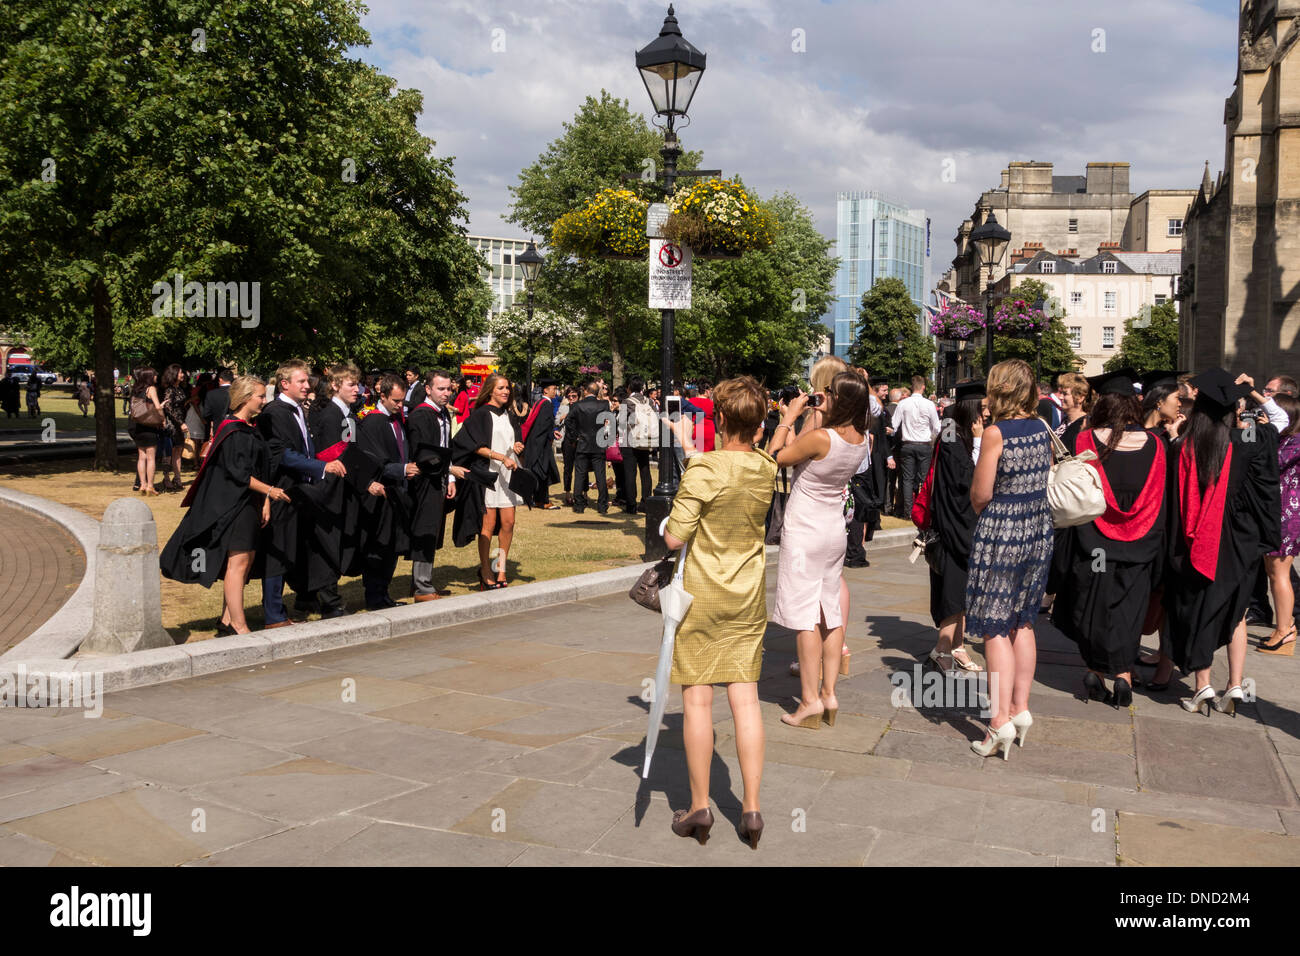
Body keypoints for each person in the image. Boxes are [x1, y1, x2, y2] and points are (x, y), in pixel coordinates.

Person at [661, 376, 777, 849]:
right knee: (745, 698)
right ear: (761, 422)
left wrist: (690, 460)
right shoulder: (766, 468)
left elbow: (674, 537)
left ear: (720, 418)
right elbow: (728, 477)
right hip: (747, 592)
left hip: (702, 594)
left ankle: (700, 806)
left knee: (697, 699)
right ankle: (750, 809)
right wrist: (694, 453)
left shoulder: (704, 469)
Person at [1166, 367, 1281, 716]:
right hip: (1241, 541)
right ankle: (1234, 683)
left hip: (1203, 540)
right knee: (1237, 612)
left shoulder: (1187, 445)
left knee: (1202, 607)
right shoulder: (1249, 443)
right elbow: (1275, 435)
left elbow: (1180, 502)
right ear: (1232, 408)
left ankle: (1202, 686)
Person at [1052, 370, 1168, 708]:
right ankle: (1124, 675)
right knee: (1128, 609)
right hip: (1140, 543)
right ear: (1134, 405)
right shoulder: (1157, 446)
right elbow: (1163, 500)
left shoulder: (1083, 441)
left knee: (1094, 604)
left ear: (1101, 405)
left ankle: (1093, 671)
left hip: (1093, 543)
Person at [770, 371, 872, 728]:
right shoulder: (862, 440)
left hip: (806, 531)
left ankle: (809, 700)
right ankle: (829, 693)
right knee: (830, 612)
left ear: (841, 400)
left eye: (828, 392)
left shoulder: (821, 438)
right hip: (833, 531)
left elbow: (775, 457)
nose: (821, 395)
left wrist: (788, 417)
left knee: (803, 617)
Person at [966, 359, 1054, 760]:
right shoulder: (1042, 426)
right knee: (1023, 620)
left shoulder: (995, 433)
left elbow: (981, 494)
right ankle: (1020, 709)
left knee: (995, 627)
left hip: (1002, 530)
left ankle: (998, 720)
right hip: (1037, 530)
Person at [160, 376, 289, 635]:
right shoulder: (231, 430)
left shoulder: (250, 428)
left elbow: (260, 468)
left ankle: (228, 620)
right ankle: (239, 625)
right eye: (261, 396)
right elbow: (237, 473)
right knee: (238, 562)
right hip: (233, 506)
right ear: (244, 398)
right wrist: (270, 491)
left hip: (250, 503)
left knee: (247, 560)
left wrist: (263, 501)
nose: (265, 401)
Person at [257, 360, 347, 627]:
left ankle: (306, 598)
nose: (308, 386)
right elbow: (282, 453)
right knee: (277, 552)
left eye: (308, 381)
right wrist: (321, 466)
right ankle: (273, 614)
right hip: (282, 490)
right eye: (302, 381)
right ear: (285, 384)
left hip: (302, 490)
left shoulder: (296, 410)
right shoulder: (275, 412)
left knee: (302, 547)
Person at [303, 362, 376, 618]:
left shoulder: (347, 413)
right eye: (352, 384)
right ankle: (329, 602)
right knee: (328, 544)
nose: (358, 389)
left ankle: (315, 596)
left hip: (346, 487)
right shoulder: (331, 413)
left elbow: (351, 447)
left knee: (338, 542)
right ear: (335, 385)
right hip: (330, 489)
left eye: (357, 384)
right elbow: (331, 453)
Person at [926, 381, 988, 674]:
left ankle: (955, 646)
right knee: (952, 590)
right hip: (954, 525)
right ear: (971, 409)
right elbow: (968, 478)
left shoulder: (953, 427)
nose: (987, 413)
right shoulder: (953, 432)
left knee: (959, 590)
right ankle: (943, 649)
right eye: (983, 408)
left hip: (959, 522)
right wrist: (978, 442)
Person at [451, 373, 532, 589]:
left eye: (507, 388)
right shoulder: (480, 414)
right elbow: (473, 445)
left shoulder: (509, 415)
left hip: (508, 476)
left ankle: (500, 567)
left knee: (508, 523)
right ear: (490, 391)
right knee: (488, 526)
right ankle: (485, 569)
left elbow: (515, 440)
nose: (505, 391)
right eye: (501, 388)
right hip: (487, 476)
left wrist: (517, 448)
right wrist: (500, 457)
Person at [356, 375, 419, 609]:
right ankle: (374, 596)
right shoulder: (372, 422)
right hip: (380, 492)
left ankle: (383, 594)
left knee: (392, 546)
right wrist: (402, 469)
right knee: (378, 546)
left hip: (397, 492)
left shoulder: (397, 419)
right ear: (382, 395)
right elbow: (373, 459)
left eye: (402, 401)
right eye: (395, 400)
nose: (399, 405)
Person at [407, 369, 465, 601]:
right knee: (425, 528)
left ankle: (422, 582)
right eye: (441, 389)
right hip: (423, 479)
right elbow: (423, 452)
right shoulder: (421, 415)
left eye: (449, 389)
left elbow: (446, 447)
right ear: (428, 389)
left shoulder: (442, 414)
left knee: (434, 529)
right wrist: (450, 470)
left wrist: (449, 478)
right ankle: (422, 586)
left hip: (439, 478)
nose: (446, 393)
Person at [1259, 391, 1300, 654]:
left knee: (1280, 573)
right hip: (1277, 511)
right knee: (1274, 572)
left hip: (1287, 512)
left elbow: (1272, 465)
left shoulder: (1294, 443)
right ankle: (1283, 628)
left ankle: (1285, 629)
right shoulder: (1284, 440)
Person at [894, 374, 942, 518]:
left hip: (907, 444)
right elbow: (937, 428)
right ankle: (921, 509)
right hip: (924, 445)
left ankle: (908, 512)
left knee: (907, 479)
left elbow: (894, 425)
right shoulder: (929, 404)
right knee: (923, 478)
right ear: (923, 387)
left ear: (911, 387)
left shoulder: (903, 404)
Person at [566, 380, 611, 514]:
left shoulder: (578, 405)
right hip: (598, 444)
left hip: (582, 443)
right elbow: (609, 423)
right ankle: (602, 505)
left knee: (579, 475)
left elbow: (568, 421)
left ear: (586, 391)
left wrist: (574, 436)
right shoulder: (603, 405)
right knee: (600, 476)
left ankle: (579, 504)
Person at [521, 378, 561, 509]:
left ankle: (537, 499)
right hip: (540, 444)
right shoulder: (547, 404)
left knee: (539, 472)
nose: (556, 391)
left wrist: (552, 433)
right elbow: (543, 427)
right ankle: (542, 501)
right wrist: (549, 435)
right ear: (546, 390)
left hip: (535, 442)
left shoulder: (540, 402)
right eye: (554, 388)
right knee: (543, 472)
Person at [128, 367, 165, 496]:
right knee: (151, 458)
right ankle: (150, 485)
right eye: (155, 375)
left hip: (139, 425)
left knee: (141, 457)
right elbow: (157, 407)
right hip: (149, 426)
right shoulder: (151, 389)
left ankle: (142, 484)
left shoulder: (136, 389)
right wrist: (163, 418)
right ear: (149, 376)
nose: (156, 377)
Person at [621, 376, 656, 514]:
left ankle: (631, 505)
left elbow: (623, 423)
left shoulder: (626, 402)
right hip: (646, 439)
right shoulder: (650, 401)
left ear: (629, 387)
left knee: (630, 473)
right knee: (645, 470)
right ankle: (646, 502)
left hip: (630, 440)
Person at [159, 364, 189, 493]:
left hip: (180, 423)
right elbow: (168, 408)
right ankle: (166, 478)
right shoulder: (170, 390)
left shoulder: (180, 388)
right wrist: (180, 422)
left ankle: (177, 478)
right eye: (180, 373)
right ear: (174, 374)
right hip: (171, 425)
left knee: (178, 452)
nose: (182, 375)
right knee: (169, 453)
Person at [201, 368, 233, 458]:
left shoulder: (211, 394)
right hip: (234, 426)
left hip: (217, 427)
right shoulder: (236, 393)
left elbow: (206, 414)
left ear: (220, 379)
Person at [558, 386, 580, 505]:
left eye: (574, 396)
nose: (571, 398)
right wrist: (564, 417)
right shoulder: (563, 408)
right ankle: (567, 493)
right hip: (567, 440)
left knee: (581, 467)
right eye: (569, 396)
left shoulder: (582, 407)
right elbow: (556, 421)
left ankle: (582, 493)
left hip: (580, 440)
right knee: (568, 468)